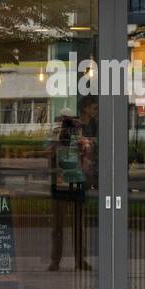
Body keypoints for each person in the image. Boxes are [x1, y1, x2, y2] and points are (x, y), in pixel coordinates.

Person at [48, 110, 90, 272]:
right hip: (63, 186)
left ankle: (75, 260)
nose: (71, 133)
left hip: (72, 185)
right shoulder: (57, 143)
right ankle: (58, 261)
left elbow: (86, 164)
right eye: (68, 129)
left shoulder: (80, 143)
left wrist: (83, 150)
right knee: (62, 227)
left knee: (75, 227)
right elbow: (51, 161)